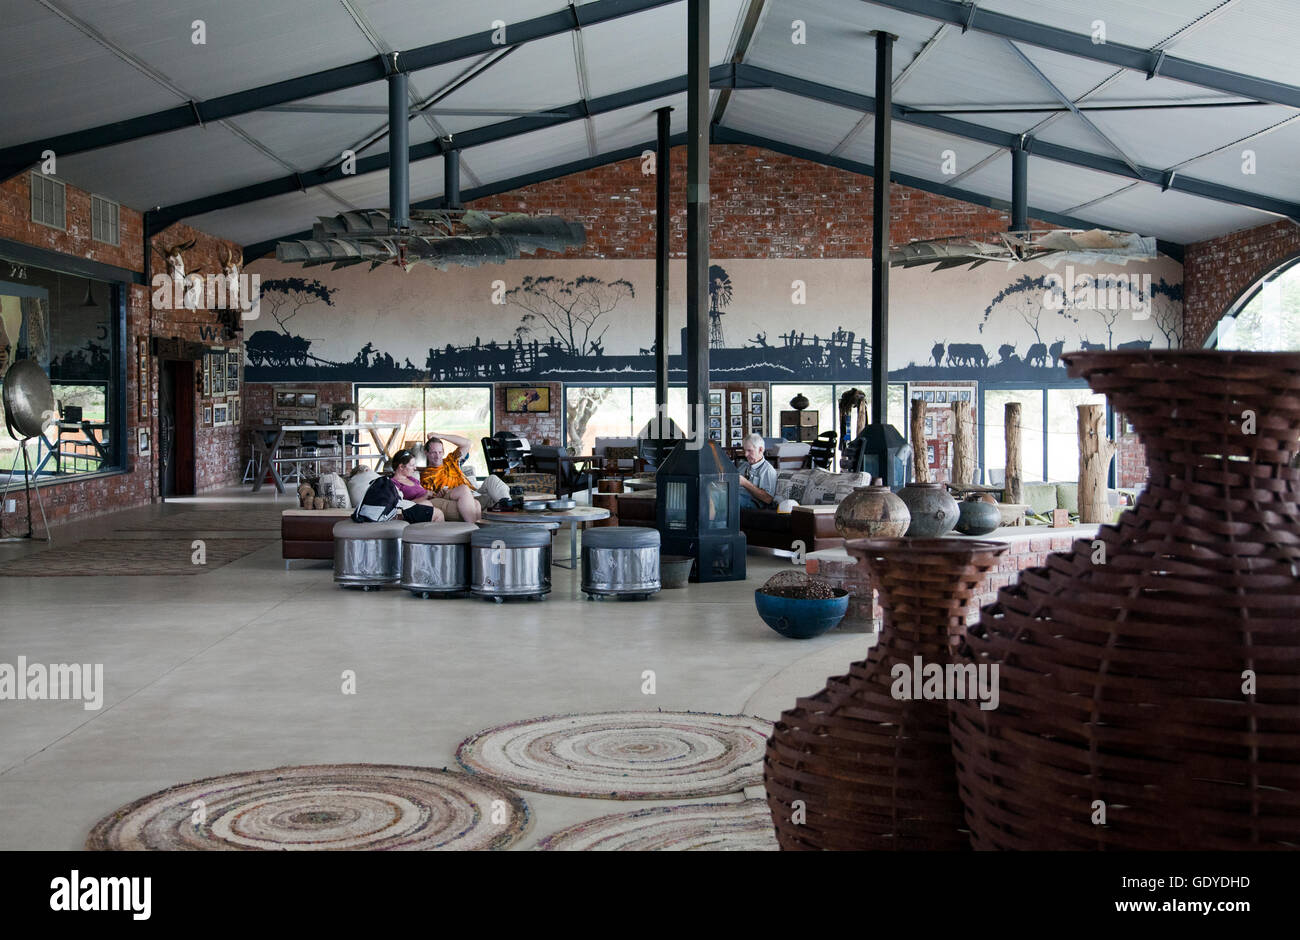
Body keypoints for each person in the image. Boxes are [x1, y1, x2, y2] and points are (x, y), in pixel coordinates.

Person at [423, 431, 512, 523]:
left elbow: (467, 443)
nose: (437, 456)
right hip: (459, 499)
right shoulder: (425, 476)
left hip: (475, 494)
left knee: (492, 478)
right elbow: (431, 499)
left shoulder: (451, 460)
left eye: (440, 452)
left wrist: (441, 436)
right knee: (464, 489)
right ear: (426, 453)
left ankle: (508, 507)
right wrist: (440, 494)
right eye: (434, 452)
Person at [389, 449, 445, 523]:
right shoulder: (393, 483)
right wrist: (424, 497)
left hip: (432, 500)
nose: (415, 468)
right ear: (401, 467)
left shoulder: (411, 478)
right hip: (420, 506)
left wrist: (433, 494)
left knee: (460, 491)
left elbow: (423, 492)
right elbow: (402, 505)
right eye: (412, 465)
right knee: (433, 507)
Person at [736, 433, 776, 510]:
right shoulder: (744, 465)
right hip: (736, 497)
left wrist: (745, 483)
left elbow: (768, 499)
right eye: (745, 450)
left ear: (761, 450)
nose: (745, 454)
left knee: (724, 499)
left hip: (753, 504)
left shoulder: (768, 470)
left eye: (749, 451)